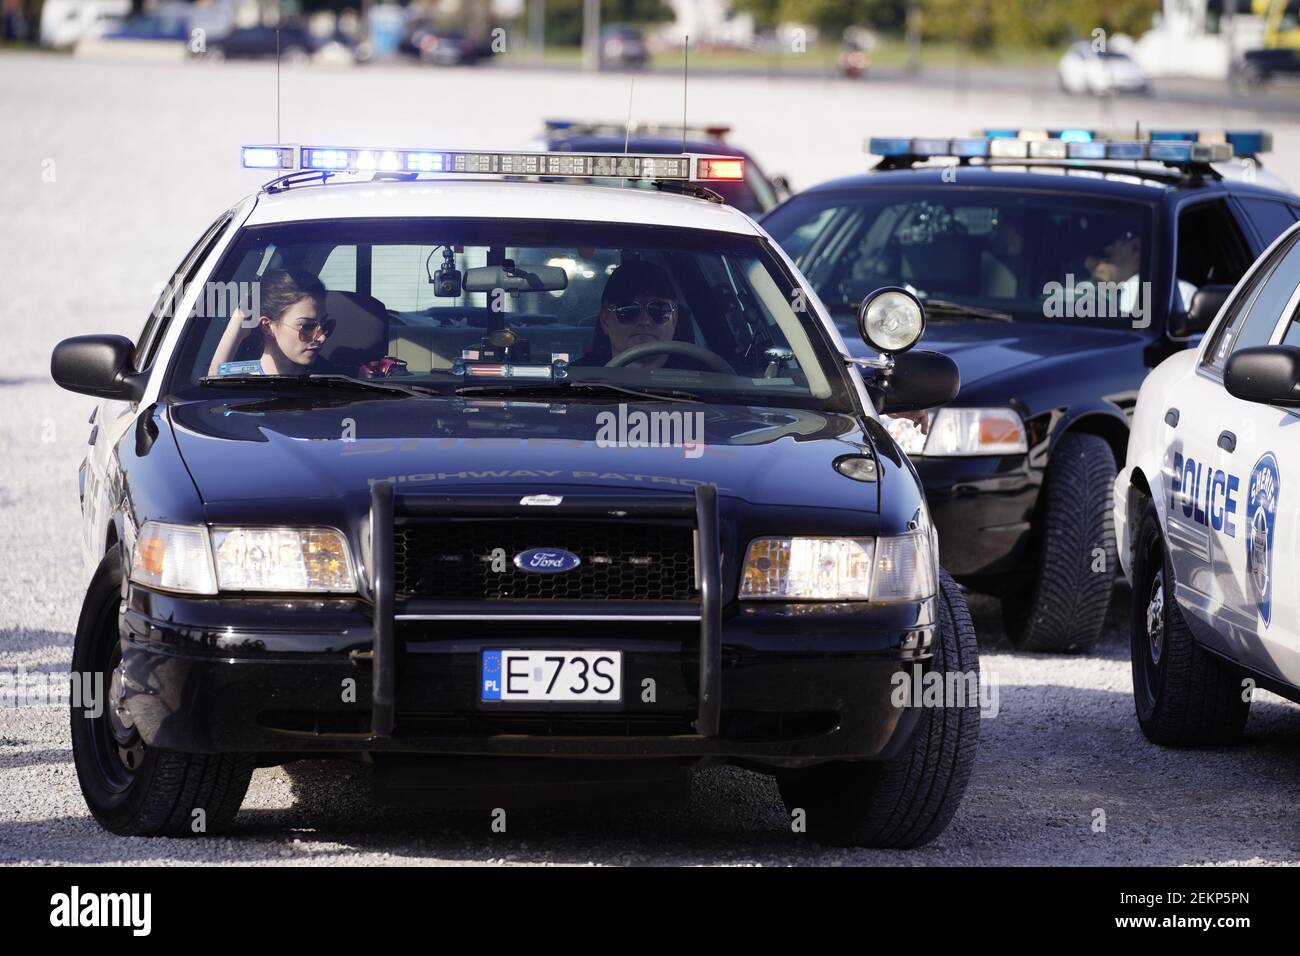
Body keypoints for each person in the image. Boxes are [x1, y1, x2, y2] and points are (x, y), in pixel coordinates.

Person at [207, 268, 333, 377]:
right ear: (267, 326)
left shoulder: (338, 381)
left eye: (326, 325)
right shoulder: (240, 382)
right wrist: (236, 327)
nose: (322, 337)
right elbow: (213, 390)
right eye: (308, 326)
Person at [576, 260, 687, 369]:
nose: (645, 321)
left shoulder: (701, 380)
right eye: (628, 310)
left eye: (658, 310)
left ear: (674, 319)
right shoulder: (577, 378)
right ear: (605, 320)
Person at [1083, 227, 1197, 315]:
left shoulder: (1180, 297)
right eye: (1085, 254)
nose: (1087, 263)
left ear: (1135, 248)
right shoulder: (1079, 294)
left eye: (1101, 254)